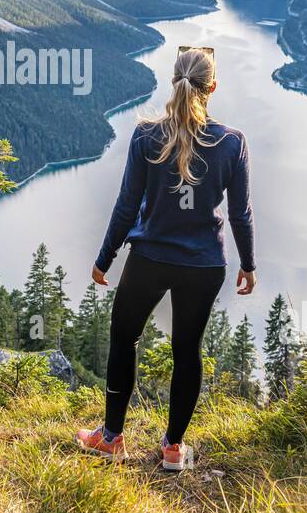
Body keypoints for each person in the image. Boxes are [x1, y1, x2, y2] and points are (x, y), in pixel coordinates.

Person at [76, 45, 256, 469]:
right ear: (213, 86)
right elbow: (239, 213)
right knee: (187, 349)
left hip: (150, 258)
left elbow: (126, 205)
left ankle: (112, 437)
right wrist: (248, 264)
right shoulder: (232, 143)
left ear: (172, 79)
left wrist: (104, 258)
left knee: (124, 337)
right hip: (205, 264)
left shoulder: (145, 135)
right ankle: (173, 448)